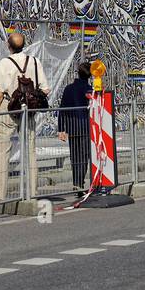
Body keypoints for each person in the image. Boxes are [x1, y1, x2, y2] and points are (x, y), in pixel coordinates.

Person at [0, 31, 49, 202]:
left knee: (2, 154)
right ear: (24, 45)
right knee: (30, 150)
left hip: (9, 108)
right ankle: (32, 193)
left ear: (8, 46)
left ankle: (0, 197)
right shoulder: (35, 62)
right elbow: (46, 89)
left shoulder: (4, 64)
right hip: (29, 109)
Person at [57, 62, 93, 193]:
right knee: (84, 156)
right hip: (85, 127)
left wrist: (61, 129)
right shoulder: (89, 89)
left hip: (71, 127)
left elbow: (61, 109)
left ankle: (75, 182)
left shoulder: (68, 88)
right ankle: (79, 183)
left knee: (75, 156)